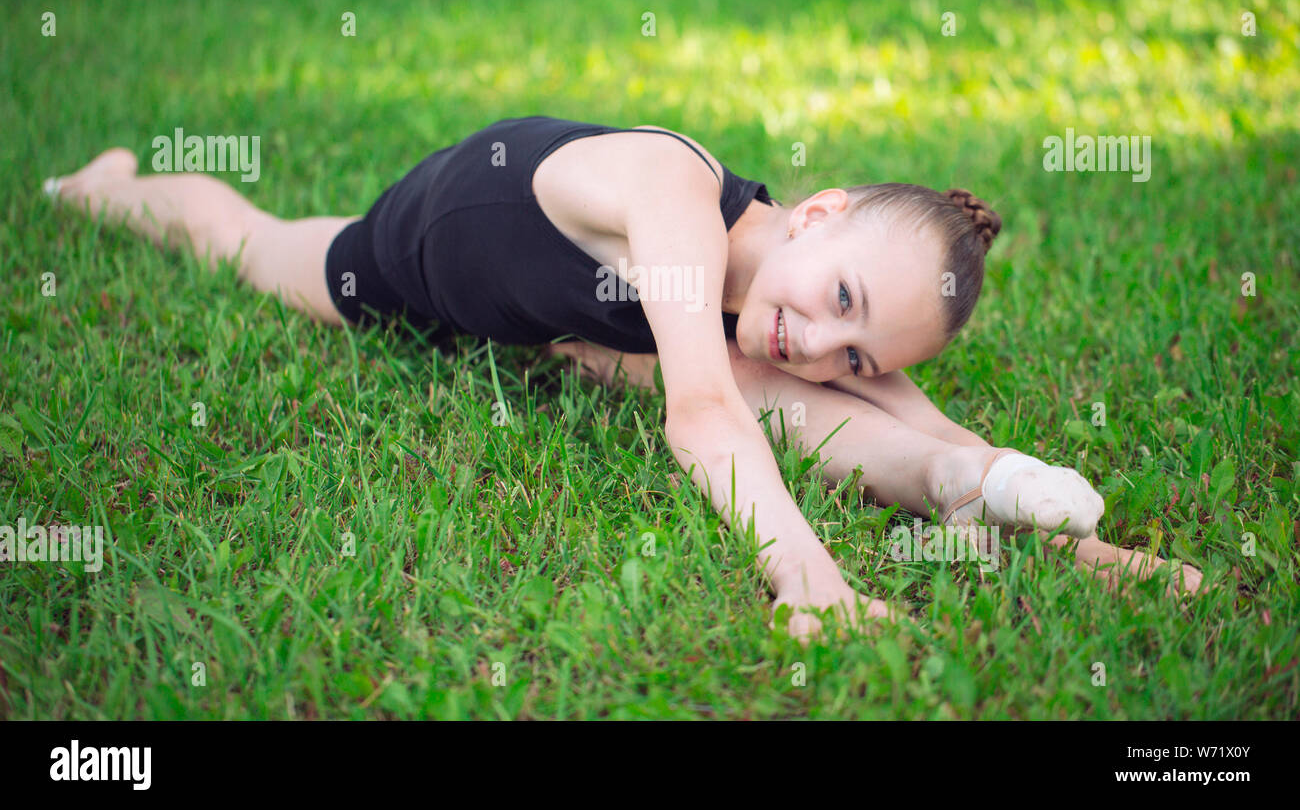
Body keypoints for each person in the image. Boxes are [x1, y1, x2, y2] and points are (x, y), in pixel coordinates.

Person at [46, 116, 1203, 640]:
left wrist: (1044, 512)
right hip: (426, 250)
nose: (823, 343)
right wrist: (811, 584)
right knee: (255, 242)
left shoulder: (774, 304)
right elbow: (698, 413)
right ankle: (109, 187)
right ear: (821, 211)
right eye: (839, 298)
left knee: (809, 402)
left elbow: (908, 404)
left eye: (858, 349)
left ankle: (982, 498)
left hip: (573, 328)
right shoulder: (676, 207)